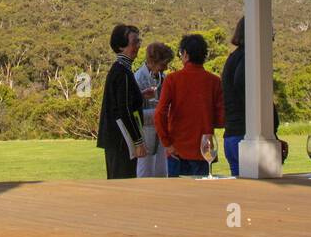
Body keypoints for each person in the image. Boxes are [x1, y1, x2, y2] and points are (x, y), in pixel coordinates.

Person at [221, 17, 284, 177]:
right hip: (247, 137)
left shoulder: (233, 57)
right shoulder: (249, 56)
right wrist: (269, 130)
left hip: (232, 136)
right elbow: (242, 81)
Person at [155, 33, 224, 177]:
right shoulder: (214, 81)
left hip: (177, 151)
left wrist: (167, 144)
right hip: (204, 151)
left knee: (177, 196)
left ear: (185, 54)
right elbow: (221, 119)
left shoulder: (172, 80)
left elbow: (159, 113)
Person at [96, 23, 147, 179]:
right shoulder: (122, 72)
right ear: (121, 46)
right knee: (123, 184)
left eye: (138, 42)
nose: (137, 46)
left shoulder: (120, 69)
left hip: (116, 140)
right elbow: (124, 109)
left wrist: (141, 96)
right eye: (134, 43)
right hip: (121, 141)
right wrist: (138, 141)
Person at [134, 42, 174, 178]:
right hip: (146, 134)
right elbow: (135, 113)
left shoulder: (163, 78)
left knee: (162, 172)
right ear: (152, 61)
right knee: (145, 172)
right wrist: (158, 113)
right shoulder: (138, 78)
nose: (166, 67)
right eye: (163, 64)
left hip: (161, 134)